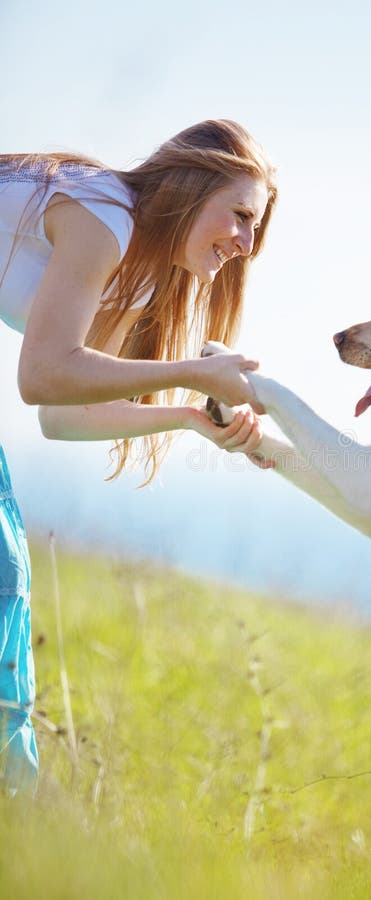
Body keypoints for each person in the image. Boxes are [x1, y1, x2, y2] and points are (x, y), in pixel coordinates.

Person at [0, 119, 277, 793]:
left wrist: (188, 415)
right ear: (191, 185)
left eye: (255, 230)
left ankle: (19, 804)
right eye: (240, 215)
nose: (244, 244)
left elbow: (63, 414)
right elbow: (42, 375)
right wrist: (196, 373)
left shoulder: (141, 277)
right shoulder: (103, 214)